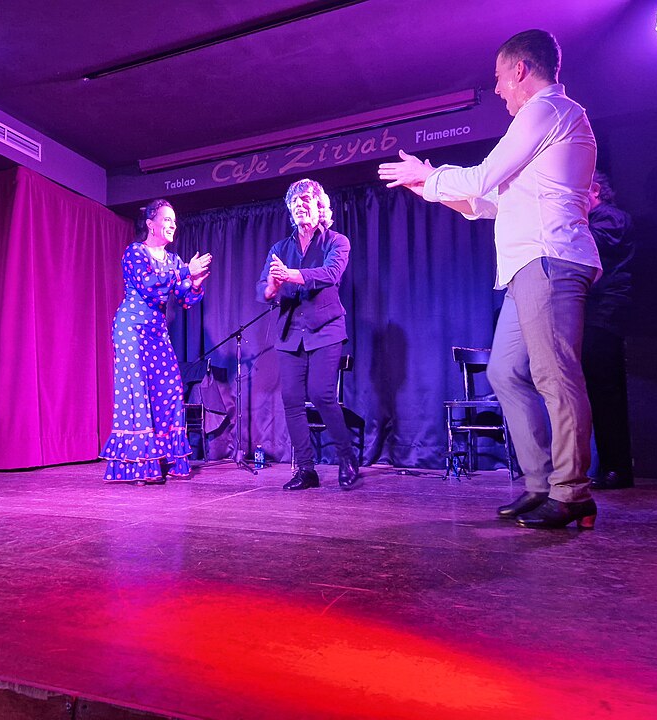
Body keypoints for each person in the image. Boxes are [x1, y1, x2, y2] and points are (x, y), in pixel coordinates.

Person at [379, 29, 602, 528]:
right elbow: (488, 202)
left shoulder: (545, 110)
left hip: (550, 260)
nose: (498, 89)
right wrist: (428, 186)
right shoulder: (545, 125)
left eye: (500, 78)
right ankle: (539, 484)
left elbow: (481, 177)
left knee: (554, 375)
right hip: (530, 267)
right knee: (504, 372)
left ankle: (572, 492)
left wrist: (430, 178)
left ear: (520, 70)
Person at [256, 178, 361, 491]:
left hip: (326, 329)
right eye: (295, 202)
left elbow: (330, 274)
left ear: (320, 206)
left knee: (321, 394)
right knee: (290, 399)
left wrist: (291, 275)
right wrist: (273, 287)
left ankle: (347, 457)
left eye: (306, 200)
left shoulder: (336, 241)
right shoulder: (280, 248)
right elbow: (263, 288)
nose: (300, 206)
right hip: (290, 333)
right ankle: (306, 469)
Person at [100, 200, 212, 484]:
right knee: (137, 393)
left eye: (175, 220)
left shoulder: (173, 261)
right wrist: (186, 272)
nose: (173, 224)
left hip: (156, 331)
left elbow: (185, 298)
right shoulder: (135, 252)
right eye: (167, 219)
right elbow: (149, 284)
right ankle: (139, 466)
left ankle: (162, 459)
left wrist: (195, 281)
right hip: (131, 328)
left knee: (171, 388)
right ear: (151, 224)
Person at [583, 171, 635, 489]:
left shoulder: (611, 217)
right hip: (596, 312)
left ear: (596, 190)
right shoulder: (600, 218)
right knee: (599, 391)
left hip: (606, 313)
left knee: (606, 391)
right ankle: (611, 466)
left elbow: (594, 247)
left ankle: (617, 468)